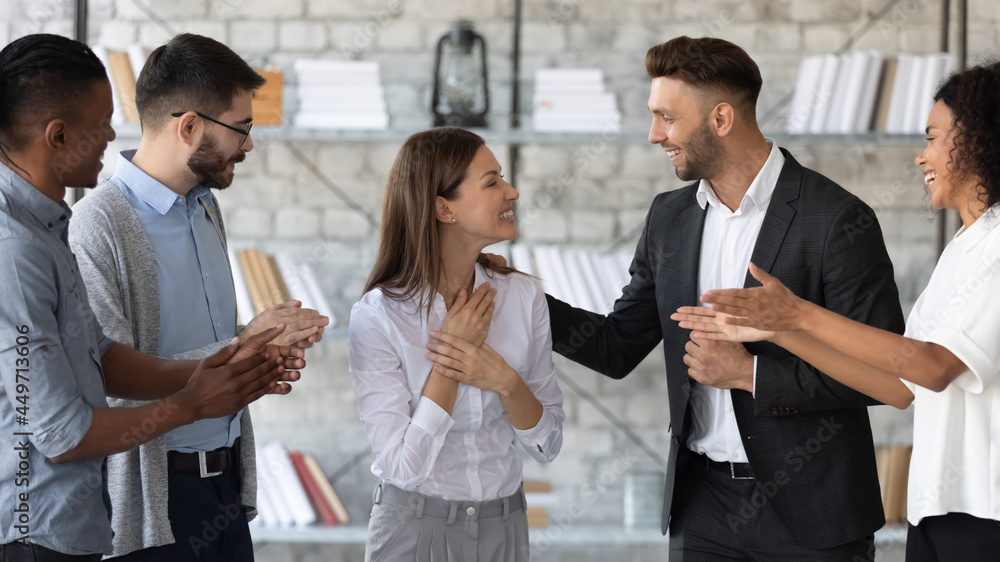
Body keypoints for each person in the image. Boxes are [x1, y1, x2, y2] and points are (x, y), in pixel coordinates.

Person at [541, 36, 905, 560]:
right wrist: (517, 297)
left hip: (814, 515)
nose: (653, 135)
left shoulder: (837, 219)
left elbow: (883, 374)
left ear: (721, 119)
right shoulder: (668, 218)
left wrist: (747, 374)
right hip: (703, 509)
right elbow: (617, 347)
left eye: (667, 117)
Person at [672, 61, 1000, 561]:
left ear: (978, 139)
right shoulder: (965, 245)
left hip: (985, 515)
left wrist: (798, 314)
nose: (921, 156)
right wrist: (777, 330)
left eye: (933, 137)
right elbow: (896, 386)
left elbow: (933, 368)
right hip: (939, 510)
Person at [0, 34, 301, 562]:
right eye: (101, 122)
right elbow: (61, 432)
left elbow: (104, 358)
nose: (114, 136)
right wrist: (192, 403)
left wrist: (232, 360)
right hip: (43, 533)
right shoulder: (26, 246)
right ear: (58, 135)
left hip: (103, 519)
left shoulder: (49, 226)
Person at [348, 127, 565, 561]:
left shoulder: (522, 297)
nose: (513, 192)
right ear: (444, 209)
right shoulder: (379, 316)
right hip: (412, 531)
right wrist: (452, 356)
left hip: (505, 527)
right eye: (492, 183)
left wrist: (505, 380)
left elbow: (548, 443)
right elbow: (403, 469)